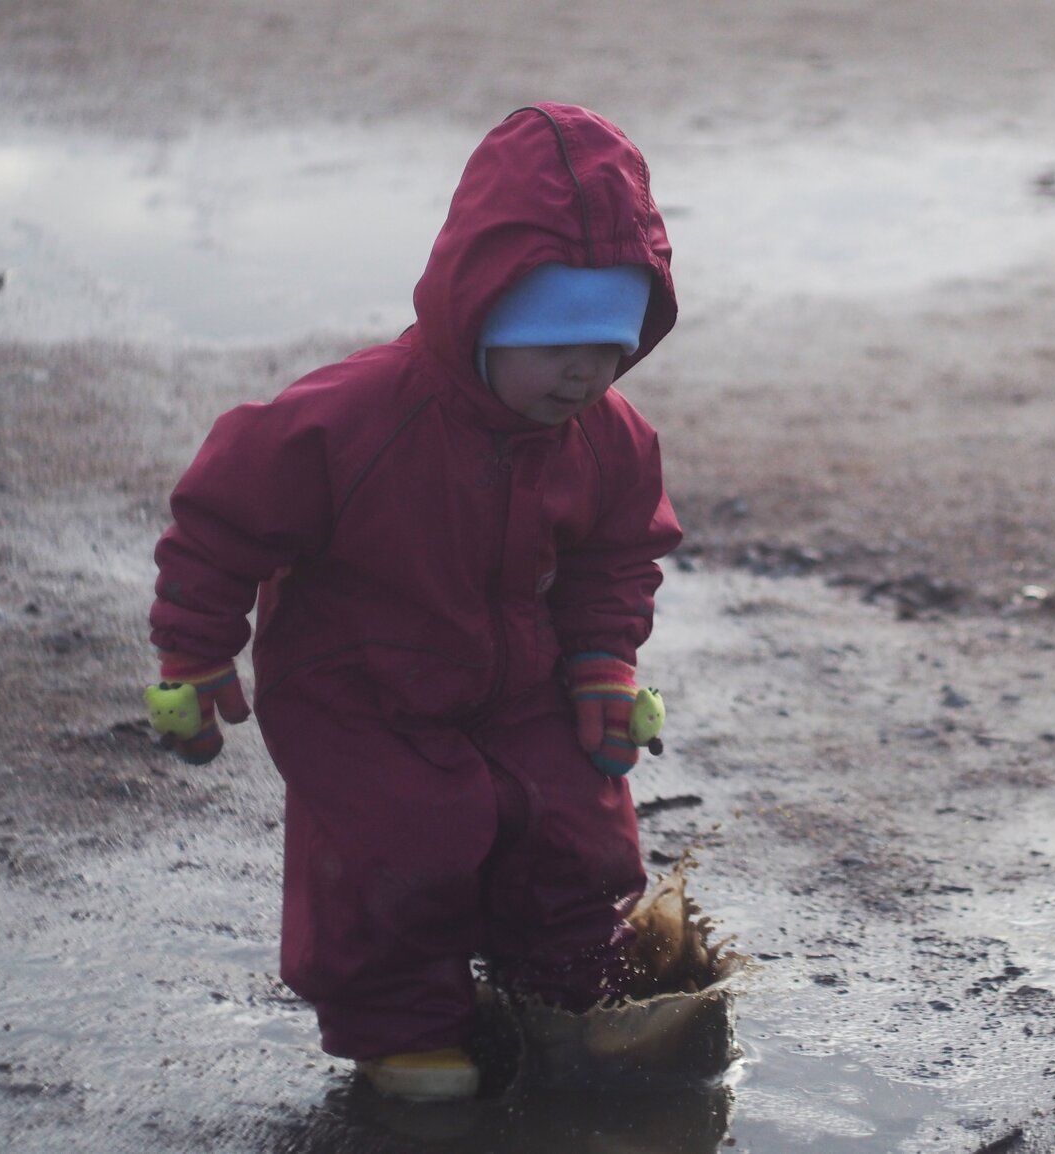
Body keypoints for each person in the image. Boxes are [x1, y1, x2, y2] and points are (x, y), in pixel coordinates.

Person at [147, 102, 682, 1101]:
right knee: (403, 846)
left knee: (580, 831)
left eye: (608, 344)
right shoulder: (346, 421)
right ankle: (406, 1026)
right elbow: (221, 521)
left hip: (522, 677)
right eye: (553, 340)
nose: (583, 371)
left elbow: (621, 550)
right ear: (477, 312)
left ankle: (567, 989)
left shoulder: (607, 435)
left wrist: (605, 659)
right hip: (361, 687)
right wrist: (194, 649)